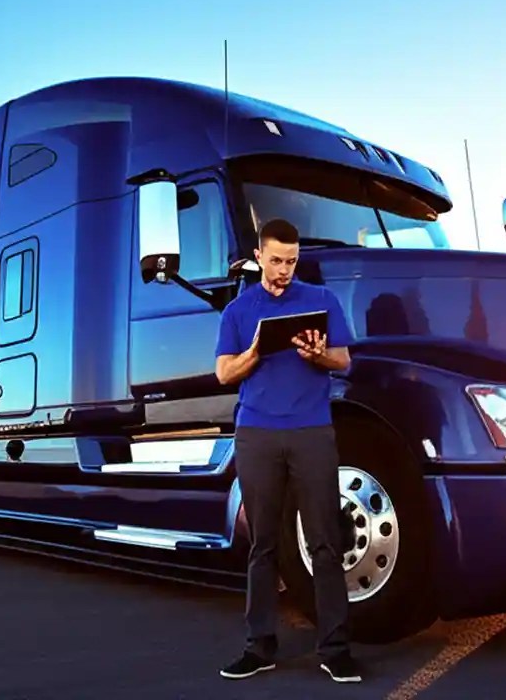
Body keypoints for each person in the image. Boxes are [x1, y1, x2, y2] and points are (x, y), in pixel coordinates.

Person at [214, 217, 362, 684]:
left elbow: (343, 359)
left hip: (312, 431)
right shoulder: (237, 312)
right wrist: (256, 351)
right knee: (263, 545)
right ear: (259, 256)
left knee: (325, 541)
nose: (284, 270)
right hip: (257, 434)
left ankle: (335, 649)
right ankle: (259, 647)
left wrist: (318, 355)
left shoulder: (320, 300)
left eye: (292, 261)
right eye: (276, 260)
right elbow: (223, 374)